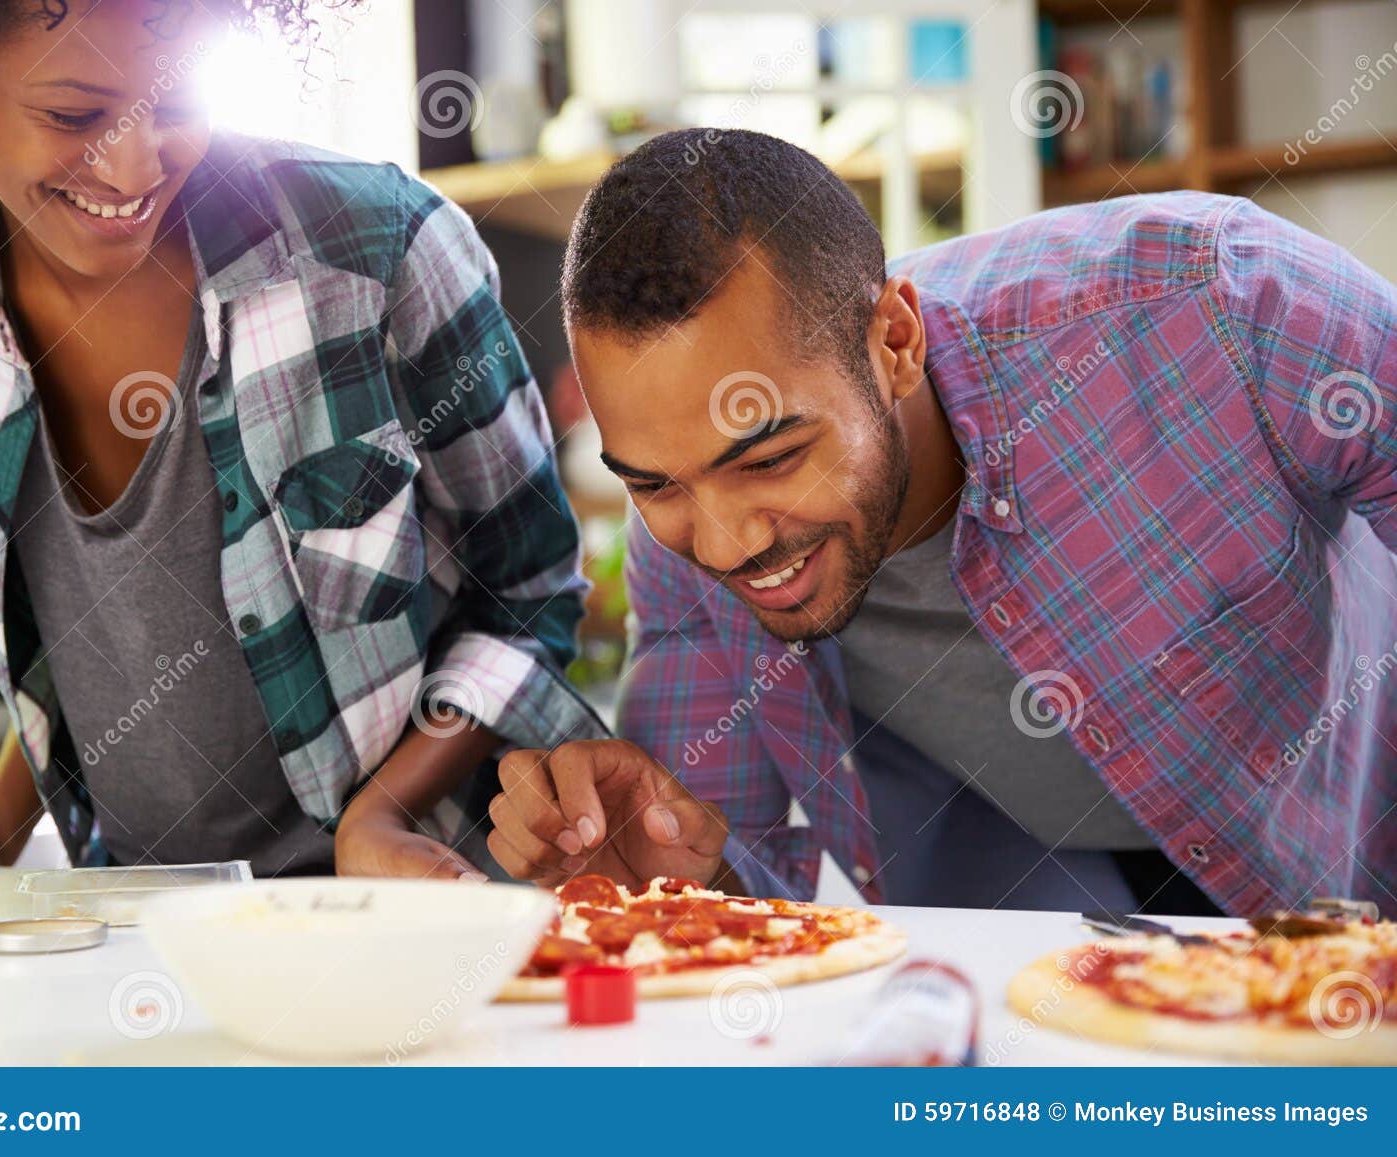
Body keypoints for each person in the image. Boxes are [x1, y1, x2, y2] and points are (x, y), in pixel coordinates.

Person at [488, 128, 1397, 916]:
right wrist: (664, 880)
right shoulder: (679, 549)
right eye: (655, 485)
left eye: (768, 460)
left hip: (1353, 875)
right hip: (1053, 960)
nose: (725, 543)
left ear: (895, 342)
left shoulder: (1222, 302)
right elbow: (731, 903)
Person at [0, 0, 603, 879]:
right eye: (75, 115)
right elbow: (70, 617)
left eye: (181, 101)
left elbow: (529, 594)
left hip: (416, 908)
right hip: (143, 921)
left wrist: (378, 816)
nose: (138, 163)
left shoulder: (377, 243)